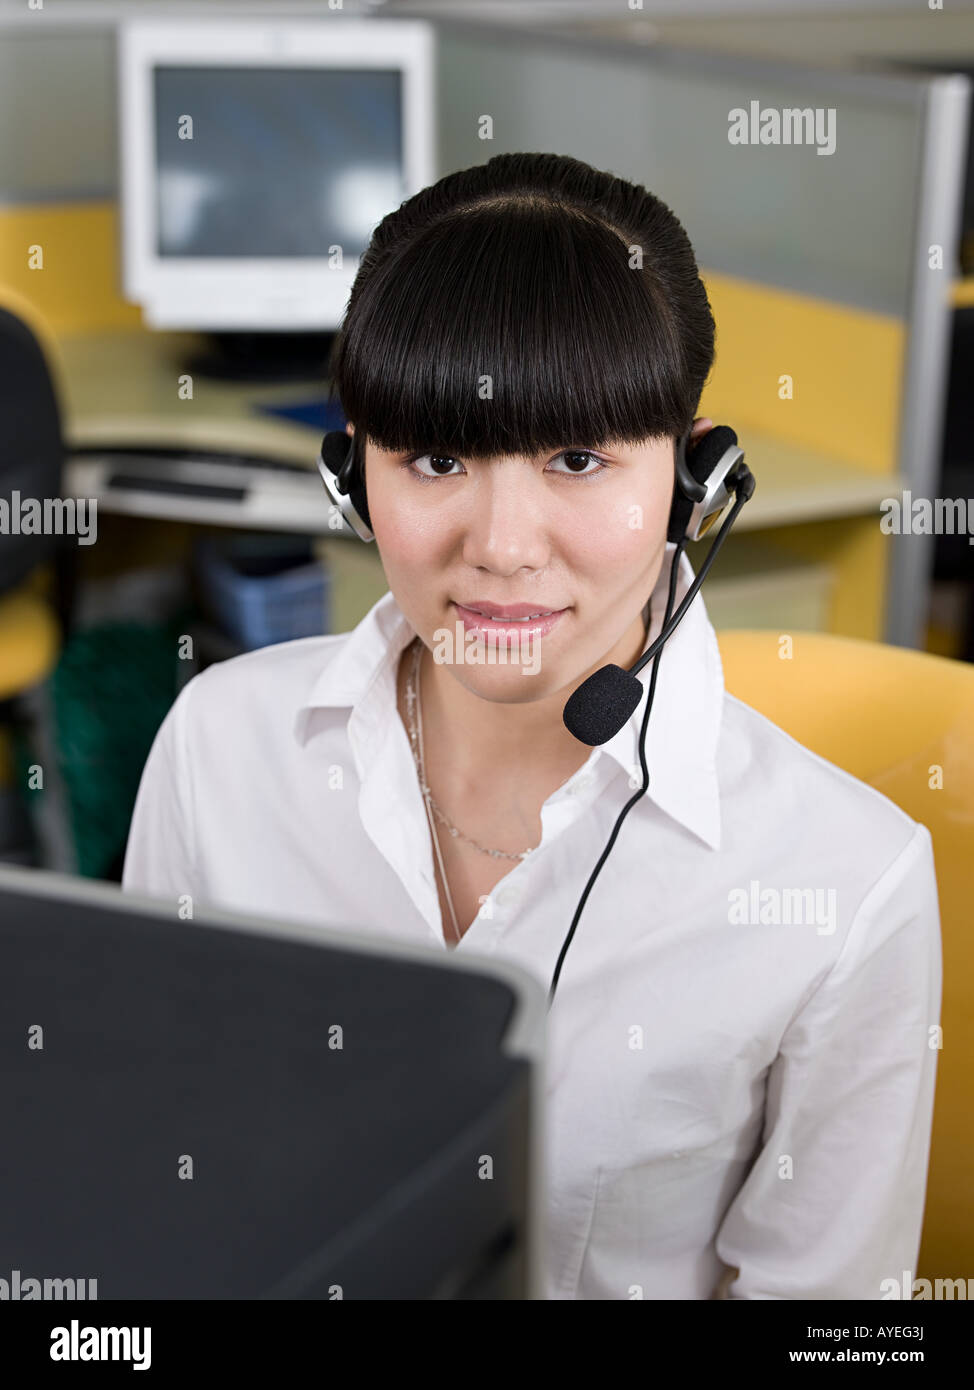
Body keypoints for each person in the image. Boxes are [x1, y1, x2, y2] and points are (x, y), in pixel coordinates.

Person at [122, 152, 942, 1300]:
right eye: (439, 459)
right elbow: (152, 1175)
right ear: (350, 473)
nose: (503, 545)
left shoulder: (845, 882)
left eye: (575, 458)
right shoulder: (221, 745)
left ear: (693, 479)